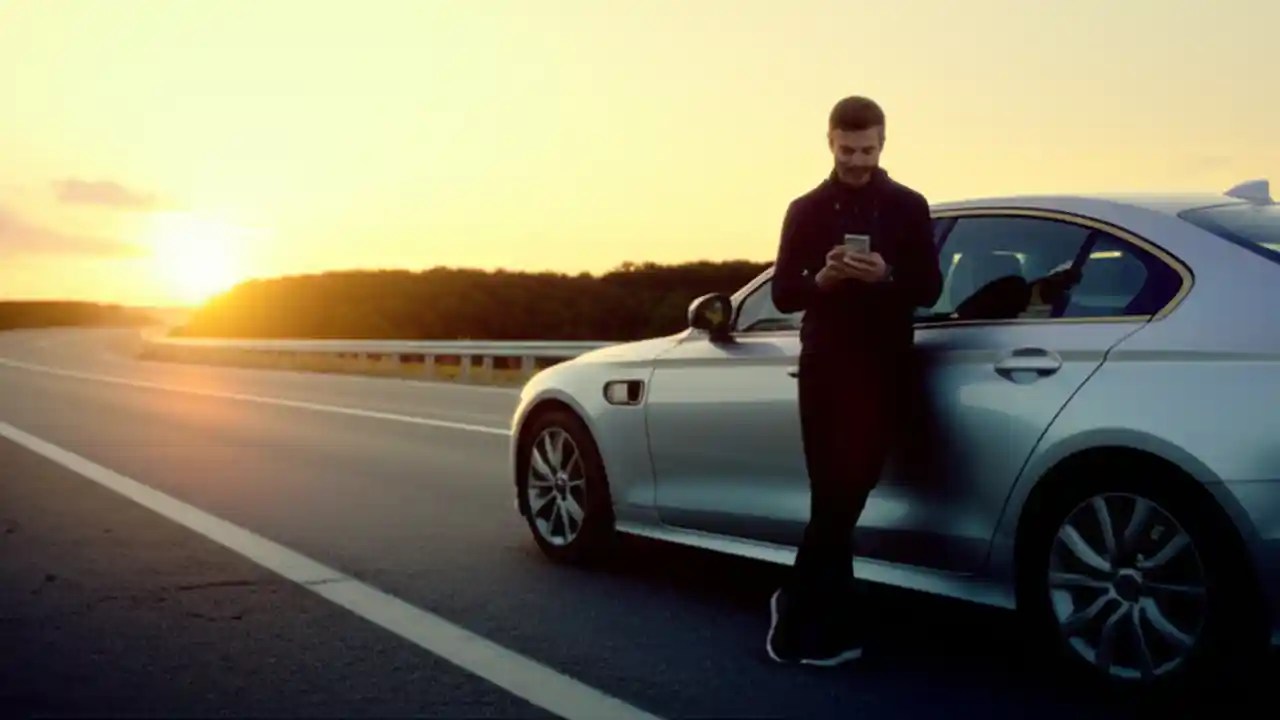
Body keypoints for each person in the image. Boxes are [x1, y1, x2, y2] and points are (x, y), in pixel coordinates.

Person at [766, 95, 944, 666]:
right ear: (830, 142)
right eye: (848, 150)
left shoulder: (909, 206)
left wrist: (886, 274)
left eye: (867, 150)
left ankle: (795, 607)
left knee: (851, 489)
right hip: (824, 362)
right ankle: (833, 625)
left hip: (884, 363)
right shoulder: (805, 209)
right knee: (831, 494)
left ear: (883, 143)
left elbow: (930, 288)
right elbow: (782, 293)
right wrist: (820, 280)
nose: (858, 162)